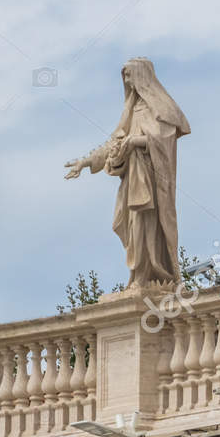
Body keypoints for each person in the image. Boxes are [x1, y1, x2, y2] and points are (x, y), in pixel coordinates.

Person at [65, 58, 191, 286]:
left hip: (152, 182)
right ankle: (137, 275)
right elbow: (114, 142)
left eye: (129, 75)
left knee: (146, 228)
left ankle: (147, 276)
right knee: (133, 230)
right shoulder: (132, 110)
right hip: (132, 181)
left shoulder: (161, 108)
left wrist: (136, 141)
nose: (126, 81)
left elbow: (164, 140)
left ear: (141, 76)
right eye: (124, 76)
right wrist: (85, 162)